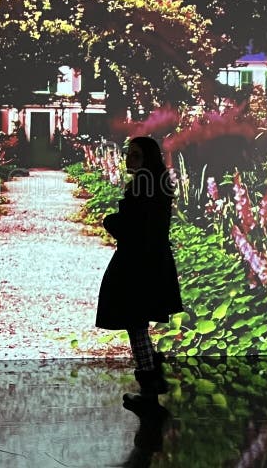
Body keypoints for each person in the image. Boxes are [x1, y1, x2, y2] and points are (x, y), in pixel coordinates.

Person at [95, 136, 183, 409]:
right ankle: (151, 386)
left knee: (135, 322)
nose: (128, 160)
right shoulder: (158, 184)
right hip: (151, 260)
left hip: (137, 262)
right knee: (138, 322)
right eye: (128, 154)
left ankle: (150, 390)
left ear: (148, 159)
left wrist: (110, 222)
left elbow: (135, 226)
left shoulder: (143, 187)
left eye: (135, 155)